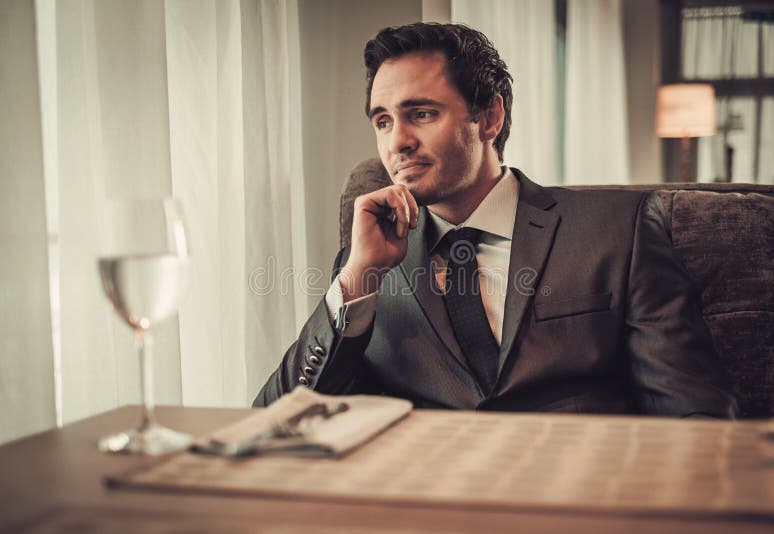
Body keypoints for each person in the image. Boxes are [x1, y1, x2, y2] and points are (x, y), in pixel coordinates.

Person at [253, 22, 738, 417]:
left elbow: (695, 417)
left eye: (420, 114)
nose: (396, 142)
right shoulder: (367, 266)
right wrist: (358, 278)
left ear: (489, 118)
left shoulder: (618, 230)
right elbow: (276, 415)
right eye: (382, 121)